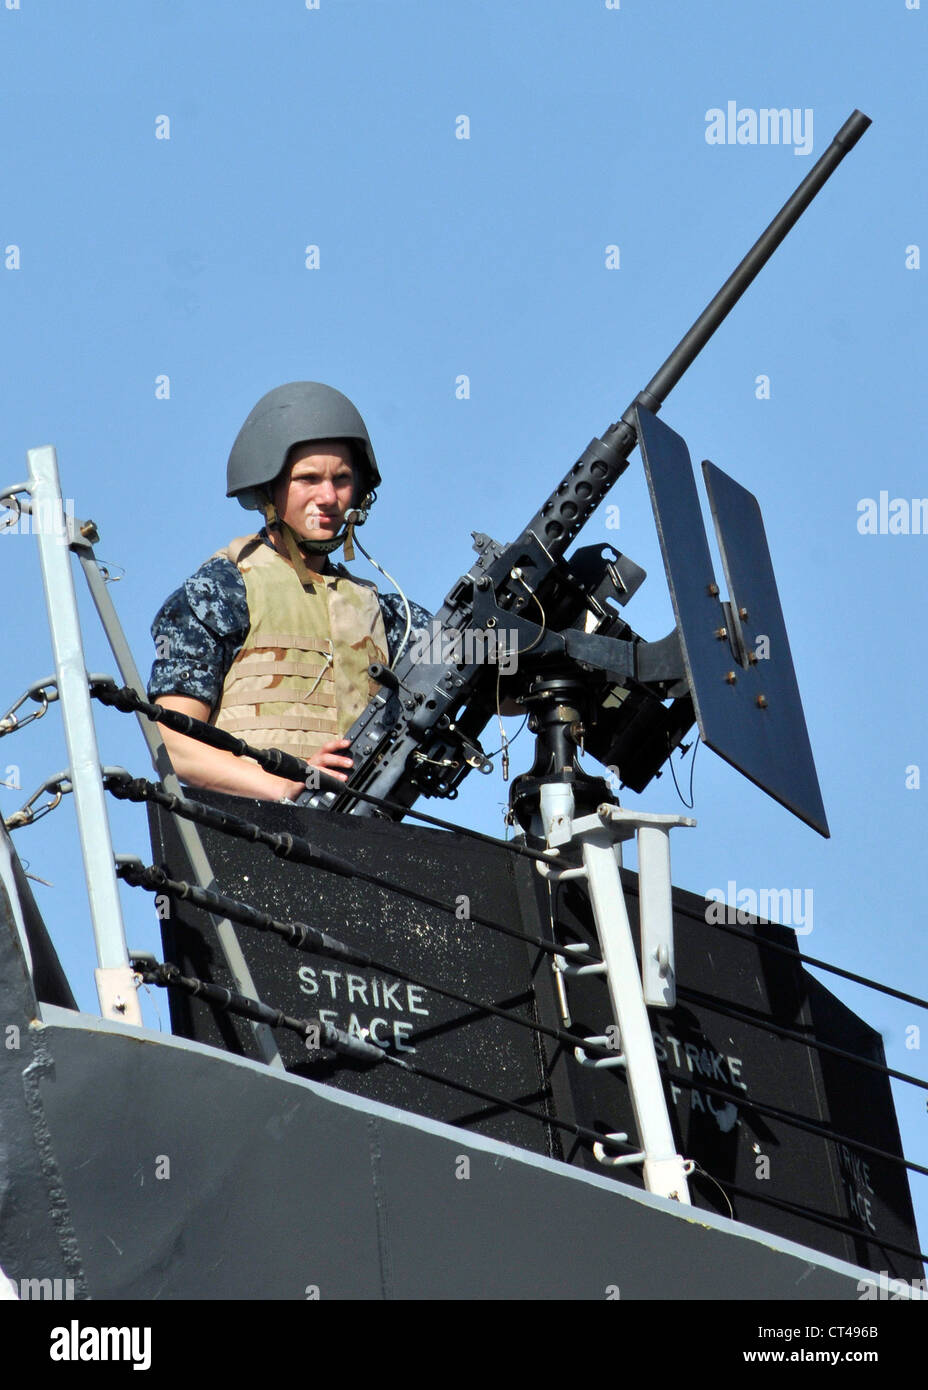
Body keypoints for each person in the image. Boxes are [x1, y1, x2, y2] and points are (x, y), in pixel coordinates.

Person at [148, 382, 430, 801]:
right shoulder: (222, 592)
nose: (329, 497)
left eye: (342, 479)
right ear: (269, 488)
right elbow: (174, 746)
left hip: (361, 848)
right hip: (251, 841)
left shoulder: (385, 613)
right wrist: (283, 786)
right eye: (308, 479)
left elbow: (477, 668)